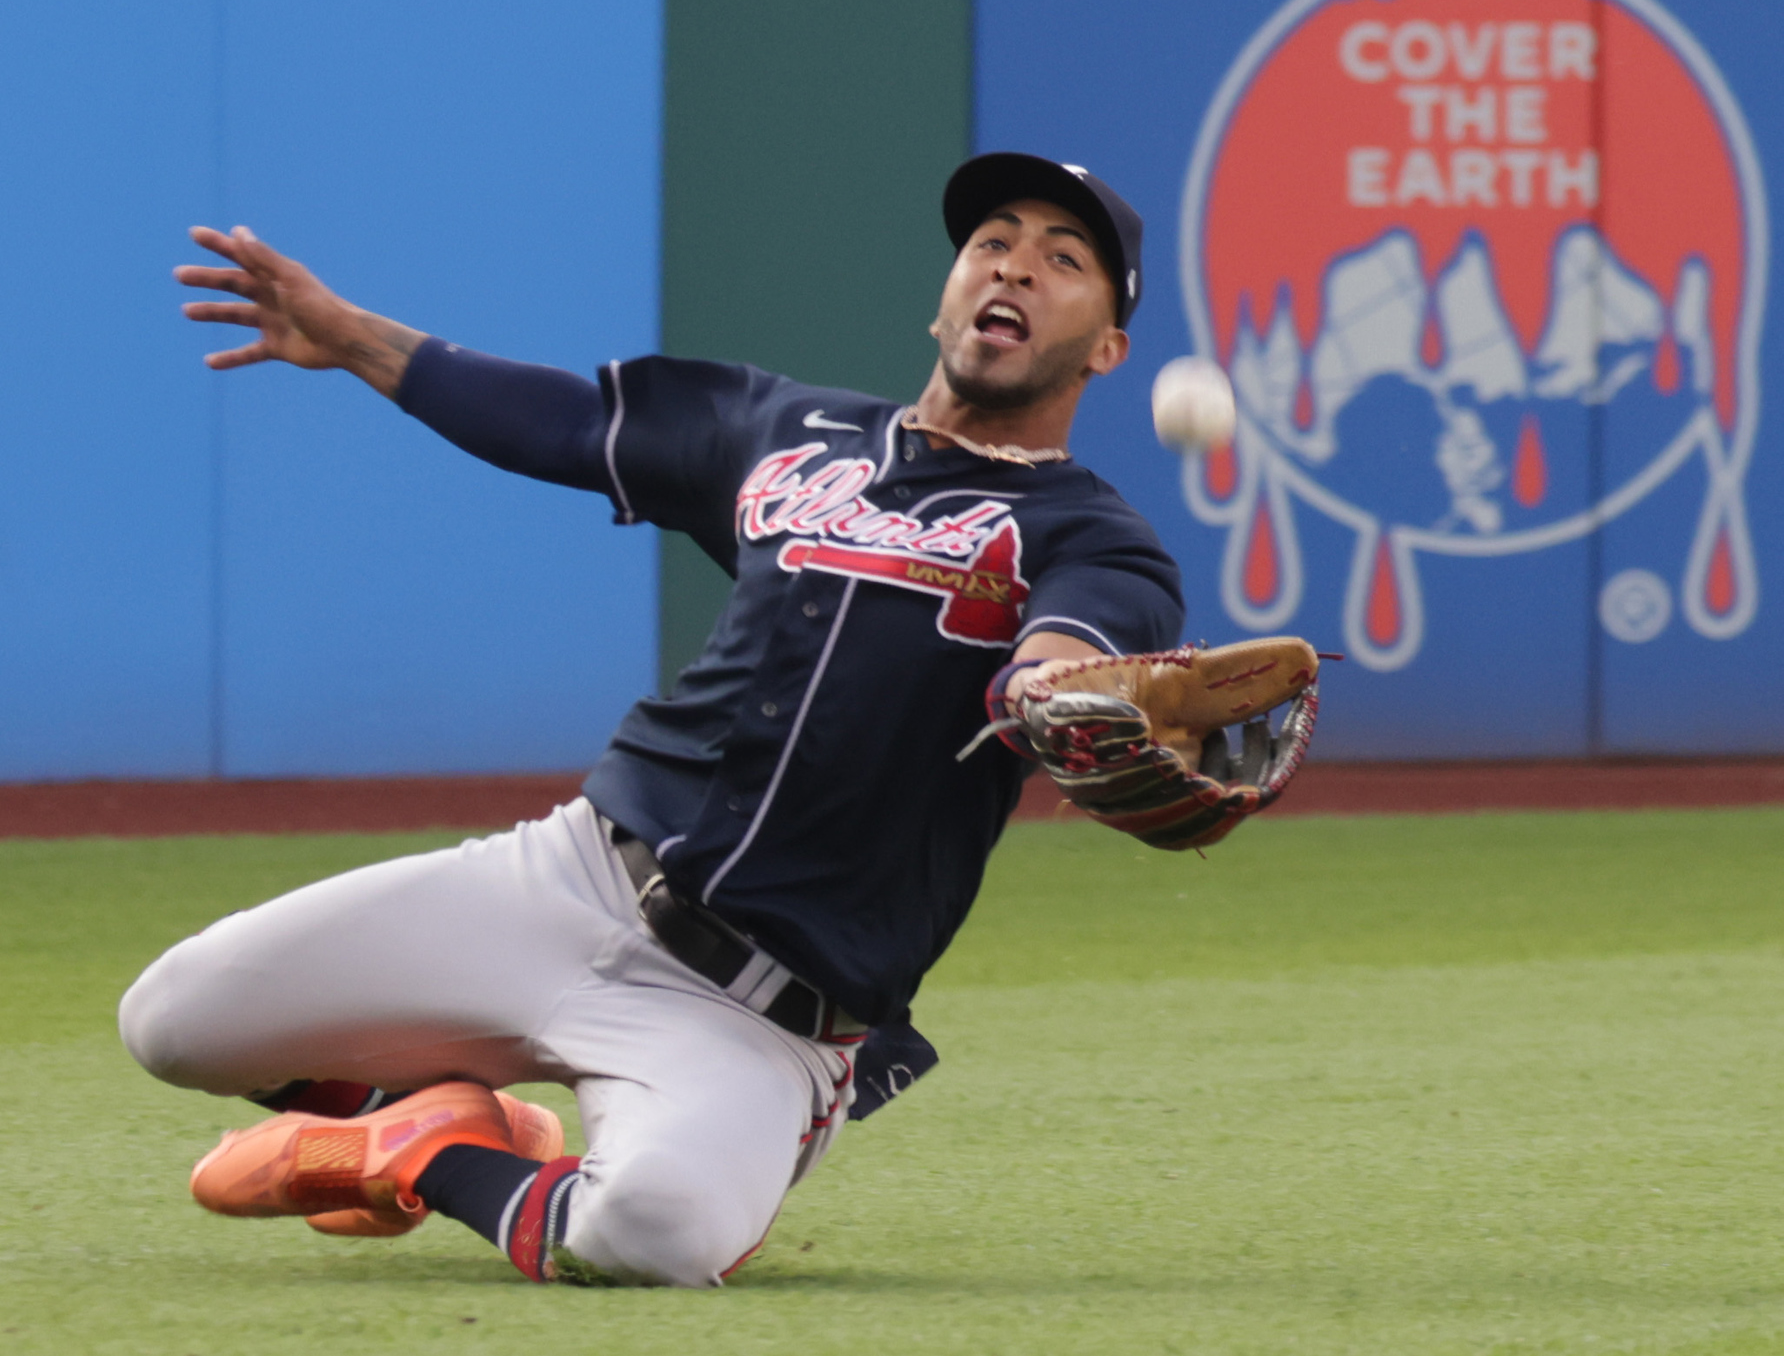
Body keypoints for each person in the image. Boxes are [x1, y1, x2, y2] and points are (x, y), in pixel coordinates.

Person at [119, 152, 1183, 1288]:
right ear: (944, 298)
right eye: (992, 242)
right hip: (571, 881)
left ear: (1106, 345)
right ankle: (428, 1103)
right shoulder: (787, 427)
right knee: (174, 1018)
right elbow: (569, 424)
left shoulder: (1092, 538)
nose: (1013, 266)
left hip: (760, 1013)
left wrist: (1049, 691)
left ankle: (427, 1149)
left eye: (1062, 260)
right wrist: (348, 335)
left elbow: (1068, 649)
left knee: (654, 1234)